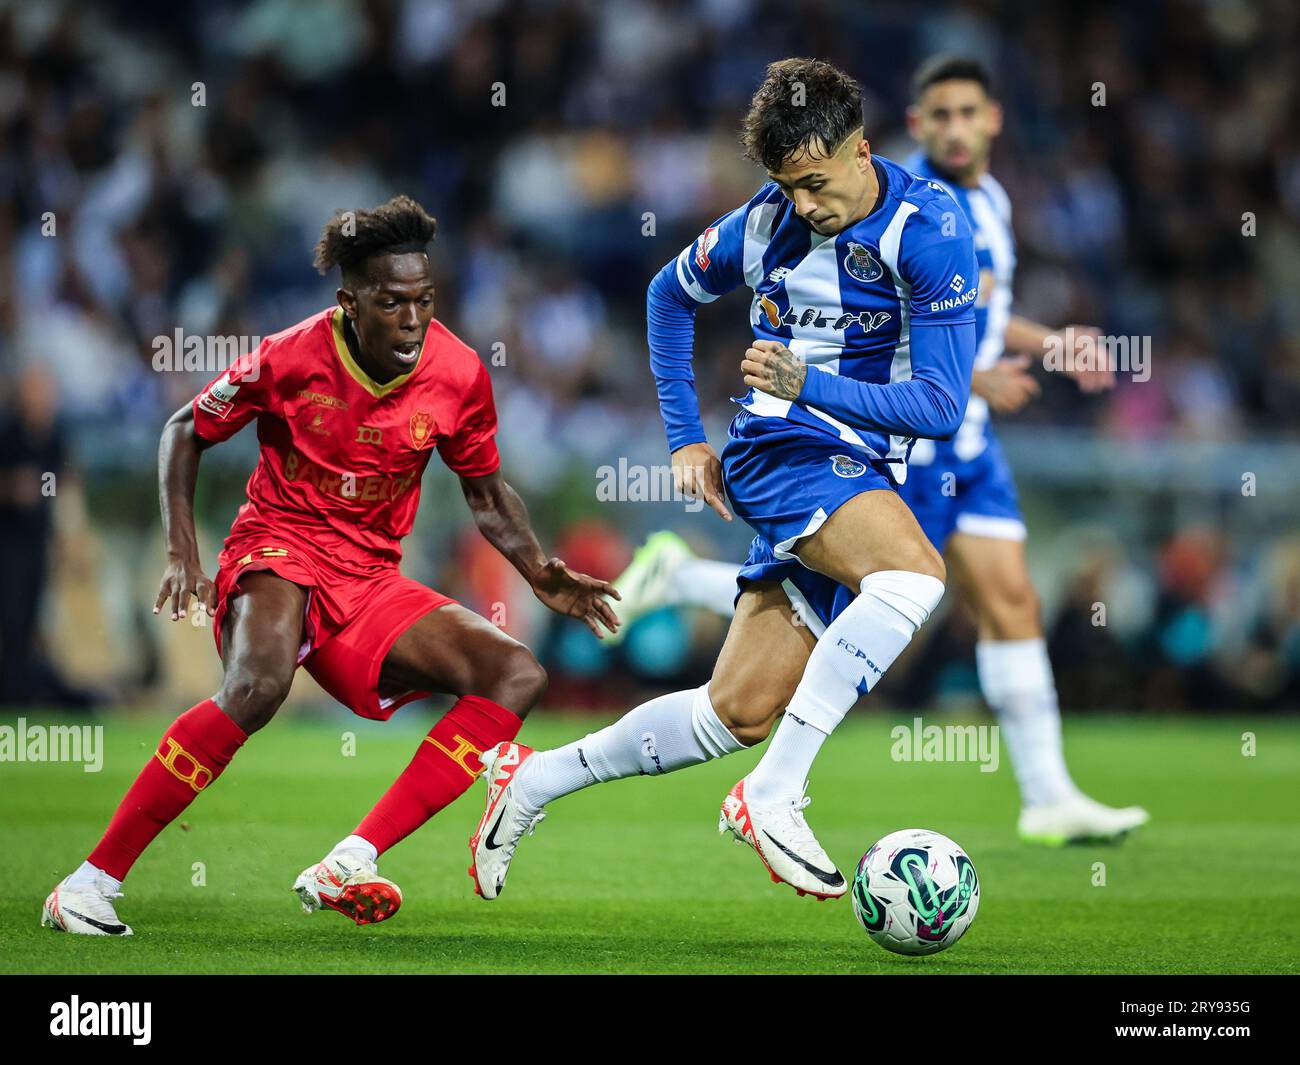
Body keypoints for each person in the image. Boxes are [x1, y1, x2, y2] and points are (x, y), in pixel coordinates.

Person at [604, 56, 1150, 848]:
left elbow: (968, 323)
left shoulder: (983, 205)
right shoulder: (874, 209)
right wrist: (697, 432)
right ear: (916, 127)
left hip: (966, 442)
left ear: (994, 118)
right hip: (893, 442)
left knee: (1006, 602)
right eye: (941, 115)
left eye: (971, 112)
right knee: (894, 597)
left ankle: (1047, 792)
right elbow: (679, 293)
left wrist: (1034, 346)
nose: (956, 128)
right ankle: (711, 632)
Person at [468, 58, 978, 902]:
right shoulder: (767, 221)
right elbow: (667, 295)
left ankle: (531, 779)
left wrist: (806, 379)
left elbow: (939, 404)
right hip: (784, 449)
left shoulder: (927, 229)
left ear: (861, 148)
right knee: (916, 576)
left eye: (815, 182)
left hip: (857, 457)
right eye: (786, 185)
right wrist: (681, 439)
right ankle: (774, 794)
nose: (802, 204)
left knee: (732, 712)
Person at [41, 196, 619, 936]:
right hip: (277, 545)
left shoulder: (459, 372)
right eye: (391, 303)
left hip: (370, 577)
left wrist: (539, 569)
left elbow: (486, 491)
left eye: (423, 300)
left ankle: (349, 858)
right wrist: (183, 548)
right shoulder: (290, 355)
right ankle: (89, 883)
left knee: (517, 675)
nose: (412, 320)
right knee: (257, 686)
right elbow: (185, 429)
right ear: (351, 303)